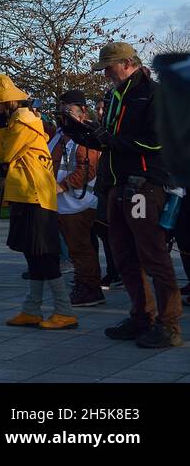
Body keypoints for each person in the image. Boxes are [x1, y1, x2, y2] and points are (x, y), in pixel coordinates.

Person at [60, 42, 182, 347]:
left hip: (143, 186)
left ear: (128, 63)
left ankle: (168, 325)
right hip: (116, 187)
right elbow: (110, 142)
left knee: (154, 257)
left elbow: (156, 143)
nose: (105, 75)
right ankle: (142, 317)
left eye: (108, 68)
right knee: (124, 257)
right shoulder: (114, 96)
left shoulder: (153, 94)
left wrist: (109, 139)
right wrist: (81, 132)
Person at [0, 74, 75, 330]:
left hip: (34, 194)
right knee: (32, 255)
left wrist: (1, 130)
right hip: (26, 193)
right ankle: (32, 309)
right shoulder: (16, 119)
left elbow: (5, 153)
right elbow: (2, 154)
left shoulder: (22, 120)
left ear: (6, 101)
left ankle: (64, 310)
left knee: (43, 254)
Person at [50, 90, 104, 307]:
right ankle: (86, 283)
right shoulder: (60, 134)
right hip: (66, 204)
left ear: (82, 112)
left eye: (67, 110)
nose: (63, 115)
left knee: (81, 249)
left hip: (79, 203)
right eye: (61, 110)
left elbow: (88, 169)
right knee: (77, 249)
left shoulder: (85, 134)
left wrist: (62, 185)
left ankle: (90, 289)